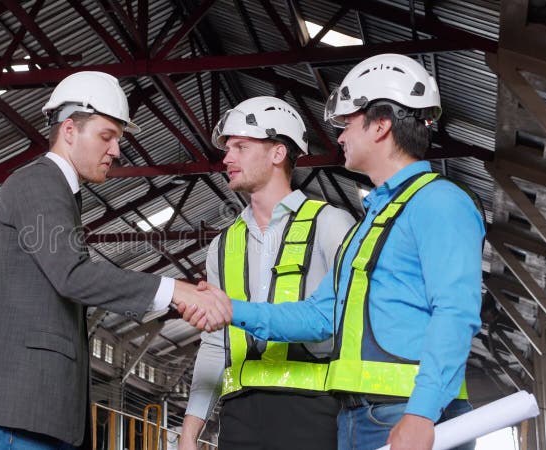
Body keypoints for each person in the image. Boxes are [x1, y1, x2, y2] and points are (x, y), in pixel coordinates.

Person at [185, 54, 485, 450]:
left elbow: (456, 311)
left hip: (407, 412)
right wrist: (231, 309)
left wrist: (422, 413)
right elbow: (321, 314)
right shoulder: (369, 225)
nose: (340, 136)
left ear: (381, 125)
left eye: (348, 124)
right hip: (357, 417)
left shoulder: (439, 202)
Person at [0, 71, 231, 450]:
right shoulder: (38, 183)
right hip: (19, 414)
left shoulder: (61, 194)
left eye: (118, 139)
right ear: (69, 130)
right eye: (106, 136)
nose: (116, 150)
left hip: (39, 415)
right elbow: (72, 275)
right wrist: (175, 290)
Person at [178, 97, 355, 450]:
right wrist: (189, 430)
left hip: (315, 414)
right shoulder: (223, 246)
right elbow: (216, 341)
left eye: (241, 147)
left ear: (277, 154)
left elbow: (351, 320)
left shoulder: (331, 224)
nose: (227, 158)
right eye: (228, 149)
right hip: (239, 419)